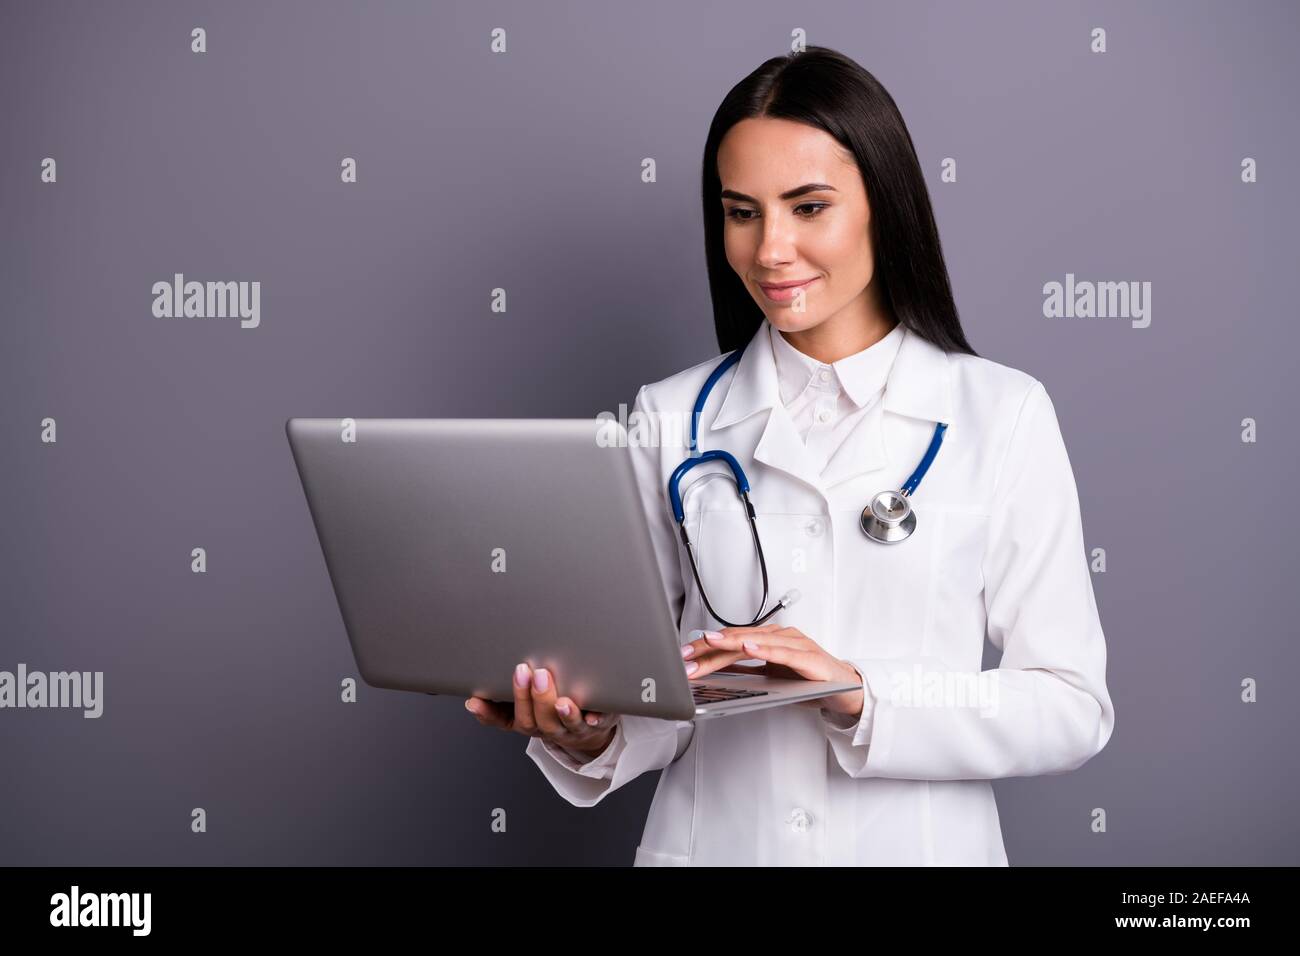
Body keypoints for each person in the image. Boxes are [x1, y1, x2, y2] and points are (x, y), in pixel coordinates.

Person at [465, 45, 1114, 866]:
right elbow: (660, 696)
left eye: (809, 208)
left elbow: (1069, 707)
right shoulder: (669, 418)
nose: (769, 250)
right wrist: (588, 730)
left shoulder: (1002, 414)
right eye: (742, 211)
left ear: (886, 205)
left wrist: (859, 694)